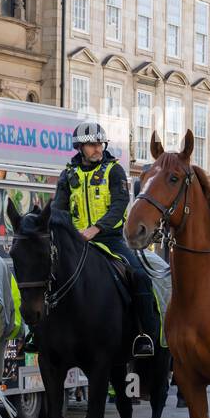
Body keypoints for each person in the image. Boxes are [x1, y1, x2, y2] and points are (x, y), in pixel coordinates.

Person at [52, 121, 157, 358]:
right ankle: (39, 335)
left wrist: (95, 229)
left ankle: (145, 335)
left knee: (140, 276)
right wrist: (68, 233)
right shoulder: (68, 175)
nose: (98, 148)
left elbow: (119, 206)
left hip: (110, 240)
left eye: (100, 143)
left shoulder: (114, 170)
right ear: (80, 147)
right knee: (48, 277)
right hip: (76, 242)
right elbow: (59, 209)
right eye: (91, 145)